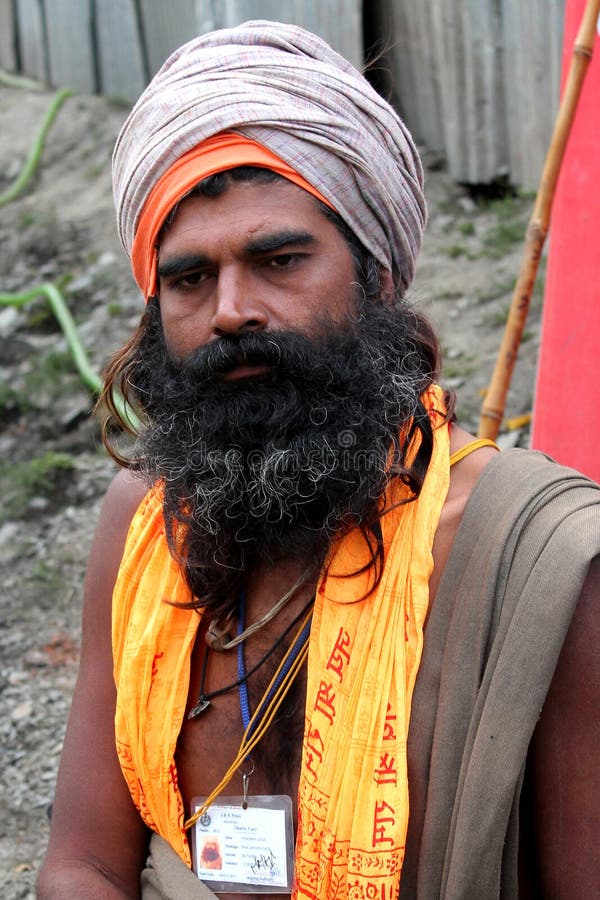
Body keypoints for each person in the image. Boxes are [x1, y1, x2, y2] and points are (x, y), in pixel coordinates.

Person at [37, 20, 600, 900]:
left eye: (278, 259)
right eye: (189, 279)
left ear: (377, 275)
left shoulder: (539, 564)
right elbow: (86, 863)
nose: (231, 310)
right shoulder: (144, 525)